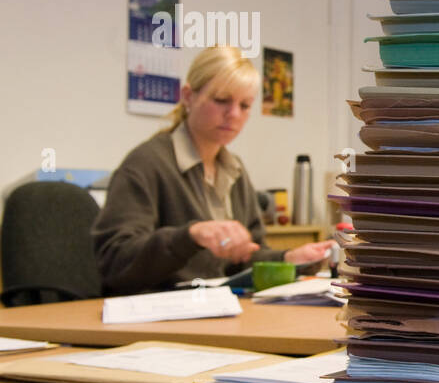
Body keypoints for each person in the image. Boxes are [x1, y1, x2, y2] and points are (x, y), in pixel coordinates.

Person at [93, 45, 333, 295]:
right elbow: (114, 262)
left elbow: (246, 256)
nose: (233, 114)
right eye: (221, 100)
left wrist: (289, 258)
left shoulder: (234, 169)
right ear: (188, 96)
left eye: (245, 105)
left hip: (216, 309)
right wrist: (191, 235)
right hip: (158, 316)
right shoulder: (146, 164)